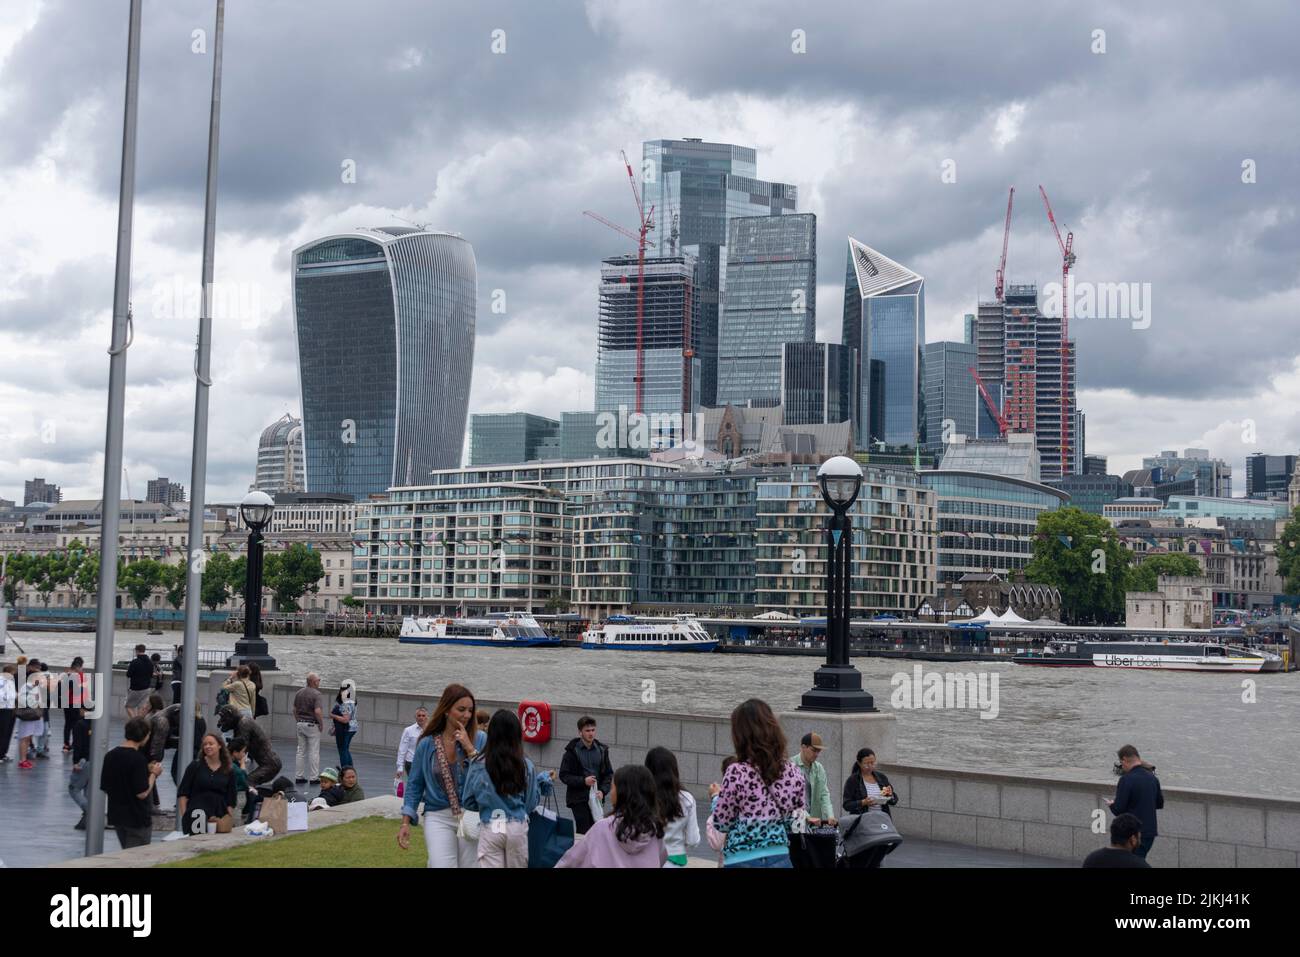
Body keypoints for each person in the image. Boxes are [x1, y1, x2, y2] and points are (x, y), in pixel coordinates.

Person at [710, 698, 805, 868]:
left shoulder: (736, 772)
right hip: (780, 857)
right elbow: (795, 819)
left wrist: (716, 798)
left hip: (741, 858)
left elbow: (721, 823)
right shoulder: (793, 771)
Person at [397, 683, 484, 868]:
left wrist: (469, 748)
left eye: (470, 710)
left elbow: (489, 778)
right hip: (438, 815)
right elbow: (414, 784)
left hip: (471, 815)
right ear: (446, 710)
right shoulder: (427, 744)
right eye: (461, 709)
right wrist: (405, 822)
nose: (467, 715)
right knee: (440, 864)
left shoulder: (481, 739)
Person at [462, 708, 555, 868]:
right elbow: (531, 803)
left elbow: (468, 800)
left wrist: (487, 803)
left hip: (491, 825)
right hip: (516, 826)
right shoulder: (526, 765)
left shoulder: (478, 763)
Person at [556, 765, 666, 868]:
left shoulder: (602, 828)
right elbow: (661, 859)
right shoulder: (655, 831)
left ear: (622, 793)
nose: (611, 792)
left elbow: (571, 860)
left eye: (613, 787)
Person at [100, 716, 163, 850]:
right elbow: (142, 793)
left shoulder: (110, 756)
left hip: (117, 816)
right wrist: (153, 774)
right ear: (144, 736)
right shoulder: (138, 759)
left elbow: (106, 787)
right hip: (137, 818)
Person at [216, 705, 282, 819]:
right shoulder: (241, 723)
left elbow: (241, 743)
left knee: (247, 782)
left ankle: (248, 812)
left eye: (225, 718)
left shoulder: (244, 723)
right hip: (268, 763)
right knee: (246, 782)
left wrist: (225, 753)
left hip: (270, 764)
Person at [841, 748, 900, 868]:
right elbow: (847, 805)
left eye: (873, 763)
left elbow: (894, 800)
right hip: (864, 826)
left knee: (880, 857)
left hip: (881, 824)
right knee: (866, 859)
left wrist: (890, 795)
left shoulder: (881, 778)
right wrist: (863, 802)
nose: (870, 766)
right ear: (859, 763)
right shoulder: (853, 780)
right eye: (867, 763)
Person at [558, 715, 613, 835]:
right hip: (578, 798)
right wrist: (583, 781)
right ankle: (582, 852)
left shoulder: (602, 750)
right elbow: (564, 775)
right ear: (580, 732)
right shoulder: (572, 752)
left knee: (596, 830)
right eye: (587, 730)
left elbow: (608, 774)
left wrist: (603, 791)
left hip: (596, 797)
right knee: (584, 831)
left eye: (593, 730)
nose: (591, 733)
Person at [645, 746, 699, 868]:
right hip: (677, 860)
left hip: (648, 859)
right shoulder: (687, 798)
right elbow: (693, 840)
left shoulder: (643, 797)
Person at [789, 731, 837, 867]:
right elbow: (790, 798)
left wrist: (830, 815)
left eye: (819, 751)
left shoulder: (818, 767)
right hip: (795, 823)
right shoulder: (790, 765)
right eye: (814, 750)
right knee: (797, 858)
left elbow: (824, 794)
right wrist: (806, 816)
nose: (816, 754)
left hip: (813, 822)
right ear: (803, 747)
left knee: (813, 859)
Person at [1108, 744, 1164, 859]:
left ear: (1124, 760)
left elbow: (1119, 809)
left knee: (1131, 862)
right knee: (1139, 860)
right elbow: (1159, 803)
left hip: (1131, 833)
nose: (1122, 767)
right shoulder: (1153, 778)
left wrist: (1112, 804)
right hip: (1149, 832)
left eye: (1121, 763)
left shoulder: (1126, 779)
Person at [177, 733, 238, 835]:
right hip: (197, 816)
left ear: (219, 746)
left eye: (211, 744)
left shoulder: (228, 769)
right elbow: (183, 793)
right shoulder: (195, 766)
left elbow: (231, 798)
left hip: (219, 815)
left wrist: (228, 818)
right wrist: (185, 816)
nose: (207, 746)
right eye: (205, 744)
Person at [1083, 813, 1151, 868]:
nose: (1140, 841)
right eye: (1139, 838)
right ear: (1133, 839)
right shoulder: (1140, 865)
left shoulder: (1091, 859)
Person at [14, 662, 47, 769]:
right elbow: (21, 699)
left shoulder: (34, 686)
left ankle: (24, 759)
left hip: (33, 715)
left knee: (28, 737)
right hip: (28, 715)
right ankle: (22, 760)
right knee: (25, 737)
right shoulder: (27, 686)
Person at [293, 673, 325, 784]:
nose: (319, 682)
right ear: (313, 681)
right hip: (312, 725)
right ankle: (313, 777)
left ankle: (299, 776)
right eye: (318, 680)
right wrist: (321, 723)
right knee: (314, 751)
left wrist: (298, 720)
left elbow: (294, 709)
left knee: (300, 751)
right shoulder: (317, 694)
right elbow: (317, 711)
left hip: (300, 724)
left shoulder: (299, 692)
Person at [144, 692, 170, 811]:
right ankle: (154, 802)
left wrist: (154, 756)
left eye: (147, 702)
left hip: (150, 752)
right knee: (150, 776)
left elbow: (157, 740)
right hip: (150, 751)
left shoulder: (156, 718)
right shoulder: (153, 716)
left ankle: (152, 803)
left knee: (149, 775)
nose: (145, 704)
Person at [68, 707, 92, 829]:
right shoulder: (97, 723)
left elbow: (78, 744)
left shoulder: (80, 724)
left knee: (73, 789)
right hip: (95, 760)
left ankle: (90, 811)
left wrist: (76, 762)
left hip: (83, 761)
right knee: (88, 789)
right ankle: (88, 816)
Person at [396, 706, 428, 791]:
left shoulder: (431, 730)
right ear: (415, 717)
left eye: (423, 715)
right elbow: (402, 749)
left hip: (426, 762)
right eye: (419, 715)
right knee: (414, 784)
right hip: (411, 763)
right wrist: (400, 767)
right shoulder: (408, 730)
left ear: (427, 717)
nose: (421, 717)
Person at [61, 658, 88, 752]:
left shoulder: (65, 675)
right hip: (75, 703)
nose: (82, 669)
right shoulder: (79, 675)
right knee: (77, 724)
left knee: (68, 724)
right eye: (81, 667)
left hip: (66, 703)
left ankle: (66, 745)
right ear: (77, 667)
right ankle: (75, 744)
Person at [330, 686, 357, 768]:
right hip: (353, 727)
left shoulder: (345, 704)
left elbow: (345, 720)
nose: (342, 693)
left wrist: (333, 716)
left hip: (345, 729)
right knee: (345, 749)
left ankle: (345, 769)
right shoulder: (353, 702)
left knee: (342, 750)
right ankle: (350, 768)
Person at [124, 644, 152, 717]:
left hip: (136, 688)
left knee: (128, 706)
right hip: (147, 688)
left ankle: (134, 722)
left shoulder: (135, 662)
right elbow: (151, 675)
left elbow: (128, 674)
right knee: (141, 707)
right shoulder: (150, 662)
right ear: (144, 650)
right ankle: (139, 724)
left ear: (137, 651)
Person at [228, 736, 251, 821]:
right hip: (236, 802)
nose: (244, 754)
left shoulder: (232, 763)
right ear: (235, 752)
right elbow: (244, 780)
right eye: (243, 751)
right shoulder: (233, 766)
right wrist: (242, 764)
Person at [0, 664, 17, 763]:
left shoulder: (10, 681)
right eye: (13, 672)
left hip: (10, 709)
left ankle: (3, 753)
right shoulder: (1, 680)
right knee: (2, 731)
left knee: (7, 732)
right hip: (3, 708)